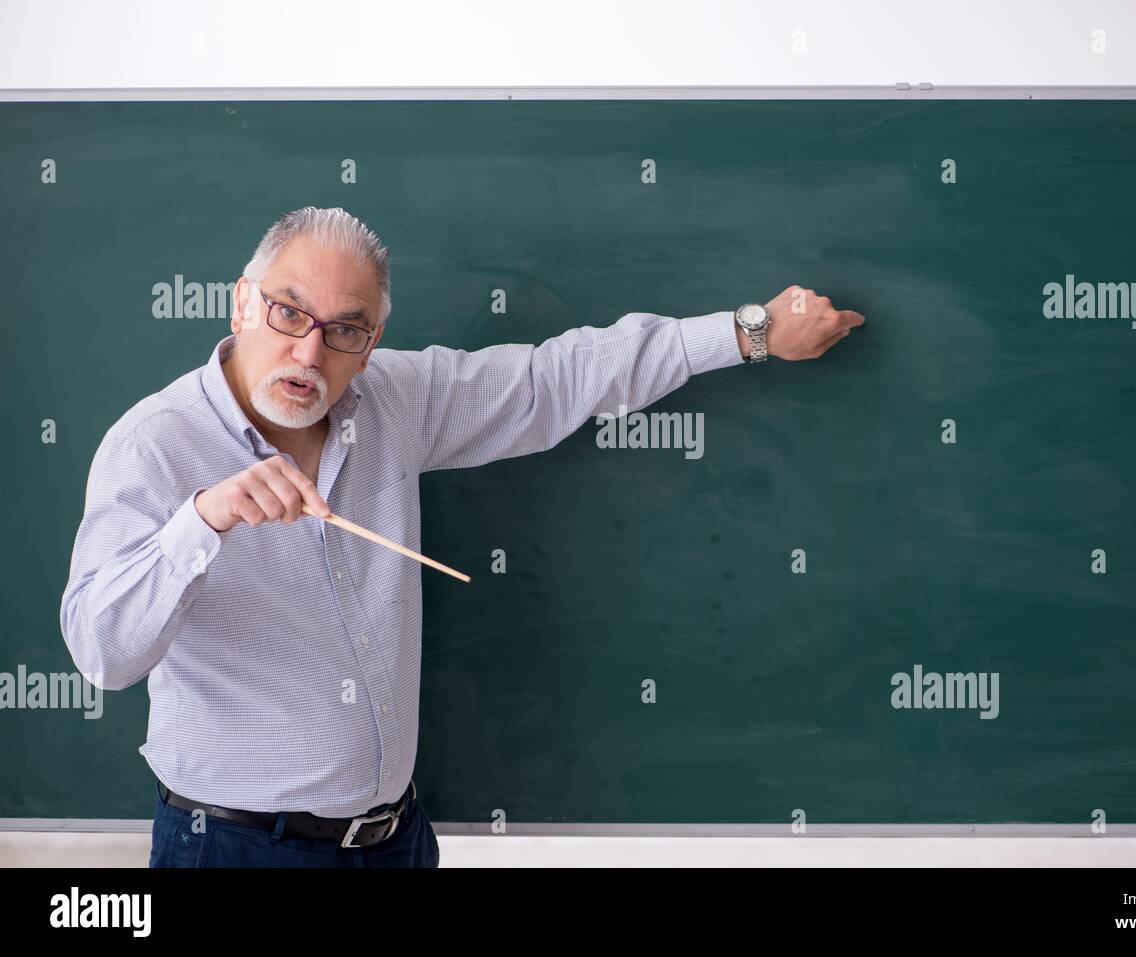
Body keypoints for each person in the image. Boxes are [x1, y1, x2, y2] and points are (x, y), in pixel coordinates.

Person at [59, 206, 864, 867]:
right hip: (234, 849)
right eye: (288, 312)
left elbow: (557, 378)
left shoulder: (392, 400)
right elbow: (103, 653)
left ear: (370, 344)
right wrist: (203, 521)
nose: (309, 349)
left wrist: (748, 332)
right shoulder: (154, 444)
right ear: (241, 302)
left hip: (395, 841)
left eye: (345, 330)